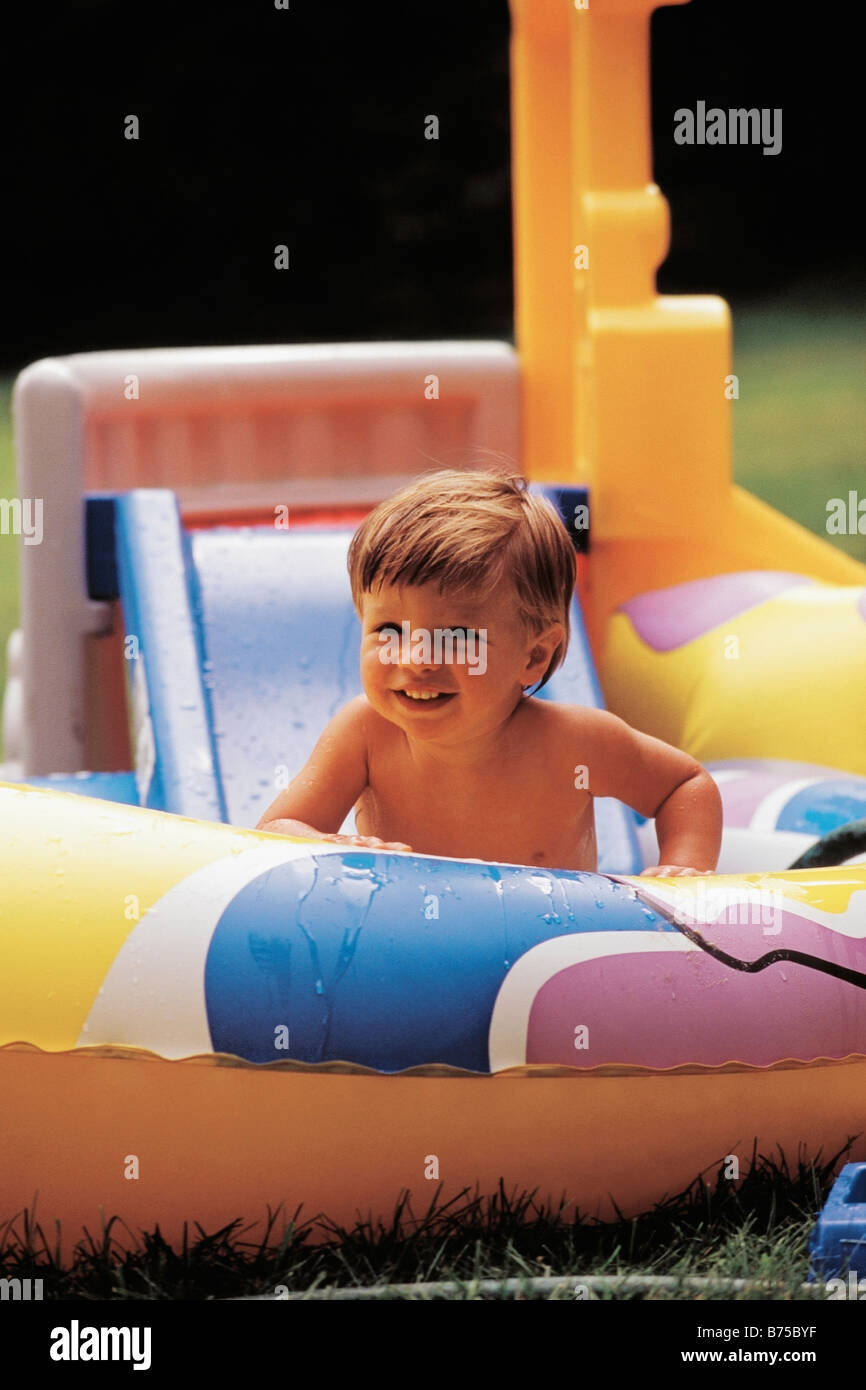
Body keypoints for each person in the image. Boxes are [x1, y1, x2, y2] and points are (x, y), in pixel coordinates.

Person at [256, 470, 722, 875]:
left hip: (538, 952)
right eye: (390, 629)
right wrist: (331, 847)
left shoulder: (575, 745)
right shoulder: (364, 735)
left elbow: (683, 787)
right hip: (403, 948)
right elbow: (276, 830)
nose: (417, 659)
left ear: (534, 657)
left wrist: (684, 869)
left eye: (455, 635)